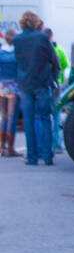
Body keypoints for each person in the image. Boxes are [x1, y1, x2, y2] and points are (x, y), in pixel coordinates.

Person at [13, 11, 59, 166]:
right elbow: (53, 59)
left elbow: (18, 61)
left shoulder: (17, 39)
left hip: (25, 83)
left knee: (29, 121)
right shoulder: (42, 38)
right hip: (42, 82)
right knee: (45, 118)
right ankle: (47, 156)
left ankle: (32, 156)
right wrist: (54, 78)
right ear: (36, 22)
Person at [44, 28, 69, 153]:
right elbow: (65, 66)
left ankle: (46, 144)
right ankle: (57, 144)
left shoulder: (42, 50)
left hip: (44, 84)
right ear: (51, 36)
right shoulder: (59, 50)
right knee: (56, 114)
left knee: (44, 116)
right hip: (56, 84)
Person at [0, 28, 19, 157]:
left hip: (2, 85)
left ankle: (2, 146)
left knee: (4, 116)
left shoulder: (1, 52)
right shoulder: (17, 53)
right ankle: (10, 148)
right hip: (13, 86)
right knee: (12, 117)